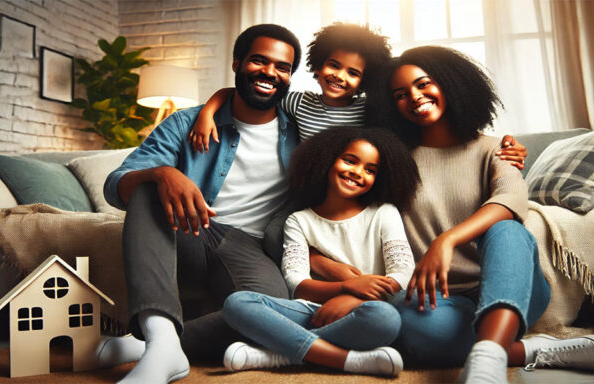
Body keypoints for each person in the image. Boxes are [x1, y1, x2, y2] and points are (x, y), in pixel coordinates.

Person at [314, 46, 594, 383]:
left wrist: (447, 240)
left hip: (513, 288)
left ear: (450, 83)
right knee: (404, 325)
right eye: (400, 94)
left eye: (423, 84)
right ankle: (531, 351)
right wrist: (348, 287)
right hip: (436, 299)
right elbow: (347, 218)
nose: (415, 97)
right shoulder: (390, 161)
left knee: (507, 230)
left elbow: (512, 200)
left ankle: (487, 365)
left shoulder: (496, 149)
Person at [99, 24, 303, 384]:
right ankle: (160, 339)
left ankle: (144, 347)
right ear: (238, 63)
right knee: (149, 187)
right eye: (258, 60)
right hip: (189, 233)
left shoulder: (301, 131)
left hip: (251, 248)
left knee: (278, 316)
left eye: (282, 67)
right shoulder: (185, 122)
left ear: (289, 77)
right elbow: (116, 185)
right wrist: (163, 173)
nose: (270, 72)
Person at [220, 127, 419, 377]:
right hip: (312, 313)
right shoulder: (299, 221)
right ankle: (343, 359)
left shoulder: (384, 213)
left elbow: (403, 273)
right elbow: (296, 283)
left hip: (367, 310)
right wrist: (345, 288)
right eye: (350, 160)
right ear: (328, 159)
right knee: (238, 303)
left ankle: (276, 356)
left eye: (370, 170)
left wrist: (356, 299)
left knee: (385, 320)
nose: (357, 173)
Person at [189, 22, 391, 152]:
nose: (340, 76)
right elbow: (235, 93)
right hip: (309, 196)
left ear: (364, 80)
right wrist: (207, 114)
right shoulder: (298, 102)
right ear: (319, 66)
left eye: (353, 73)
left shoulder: (367, 108)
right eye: (334, 65)